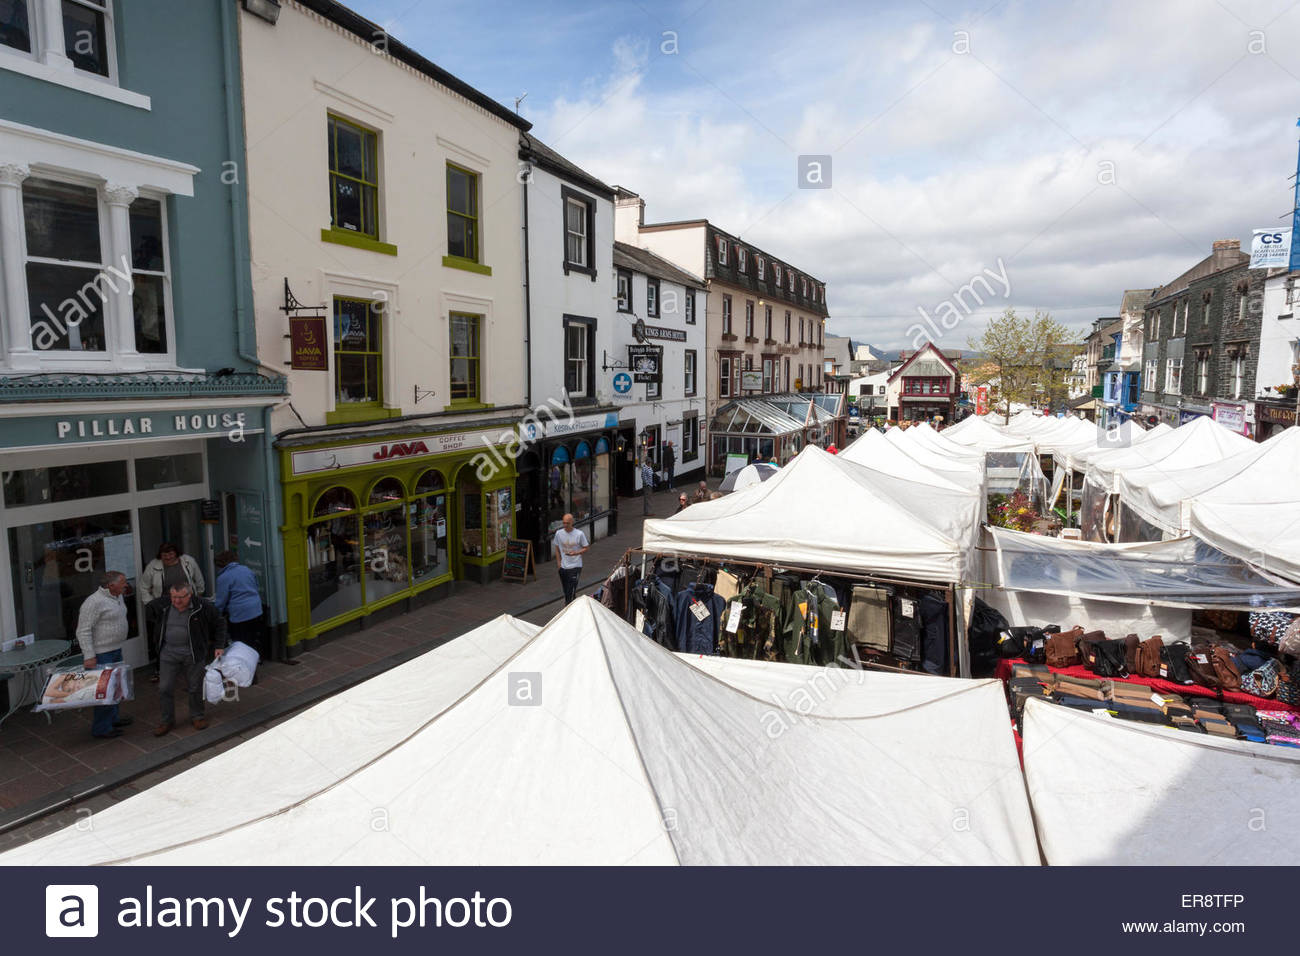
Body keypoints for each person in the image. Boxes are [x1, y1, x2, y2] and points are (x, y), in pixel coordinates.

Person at [152, 582, 227, 736]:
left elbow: (220, 622)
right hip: (168, 653)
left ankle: (197, 716)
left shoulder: (202, 606)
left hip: (193, 653)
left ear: (190, 595)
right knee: (164, 688)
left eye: (181, 598)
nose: (177, 601)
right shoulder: (163, 605)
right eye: (173, 597)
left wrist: (219, 645)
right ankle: (167, 720)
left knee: (194, 686)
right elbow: (149, 614)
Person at [74, 570, 132, 739]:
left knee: (115, 687)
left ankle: (113, 719)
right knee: (103, 691)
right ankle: (102, 728)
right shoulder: (93, 603)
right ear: (111, 585)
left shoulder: (117, 596)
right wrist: (89, 655)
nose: (126, 585)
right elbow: (83, 631)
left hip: (115, 649)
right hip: (101, 653)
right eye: (123, 582)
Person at [213, 550, 265, 657]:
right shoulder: (246, 570)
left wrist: (215, 613)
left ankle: (245, 665)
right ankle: (255, 658)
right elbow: (255, 585)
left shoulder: (224, 577)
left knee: (241, 643)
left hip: (240, 614)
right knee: (253, 638)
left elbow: (221, 600)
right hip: (256, 609)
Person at [139, 542, 205, 603]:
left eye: (171, 554)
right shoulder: (152, 566)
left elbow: (199, 580)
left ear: (176, 553)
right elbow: (144, 587)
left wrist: (198, 596)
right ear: (160, 555)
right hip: (164, 605)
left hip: (188, 601)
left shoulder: (188, 561)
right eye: (164, 555)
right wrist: (150, 603)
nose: (168, 557)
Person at [552, 513, 589, 606]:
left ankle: (568, 609)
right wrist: (559, 563)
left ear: (572, 522)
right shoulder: (559, 533)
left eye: (567, 523)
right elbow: (556, 548)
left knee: (570, 592)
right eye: (564, 523)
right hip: (563, 567)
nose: (565, 525)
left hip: (576, 566)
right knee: (566, 591)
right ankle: (573, 606)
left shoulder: (579, 534)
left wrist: (576, 553)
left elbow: (586, 547)